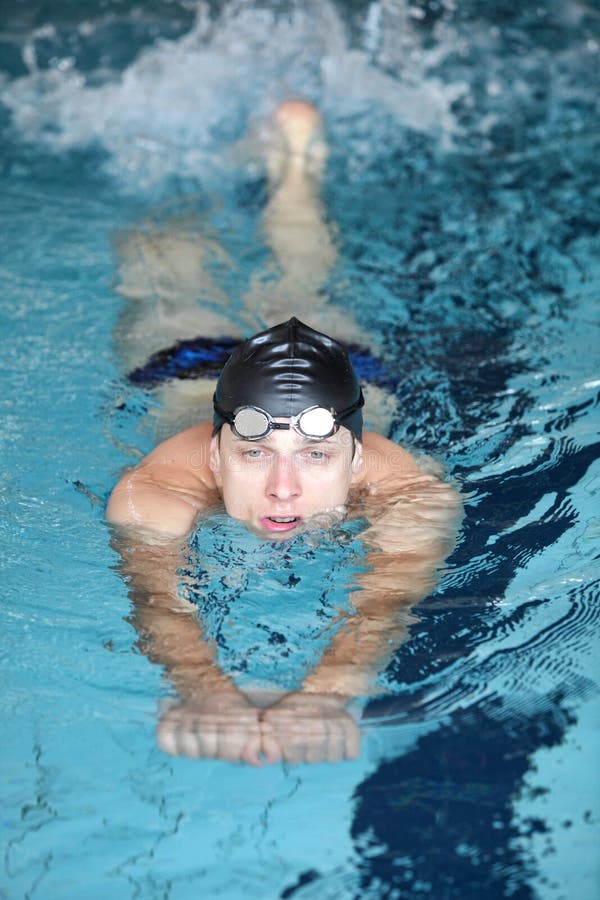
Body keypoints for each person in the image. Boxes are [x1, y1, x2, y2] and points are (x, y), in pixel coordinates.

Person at [106, 102, 461, 765]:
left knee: (298, 278)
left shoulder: (414, 495)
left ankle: (294, 166)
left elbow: (381, 609)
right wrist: (206, 693)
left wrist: (327, 695)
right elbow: (160, 603)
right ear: (213, 452)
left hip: (342, 363)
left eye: (317, 455)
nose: (283, 489)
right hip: (187, 362)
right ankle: (195, 163)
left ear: (359, 460)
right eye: (252, 453)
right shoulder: (151, 491)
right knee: (159, 258)